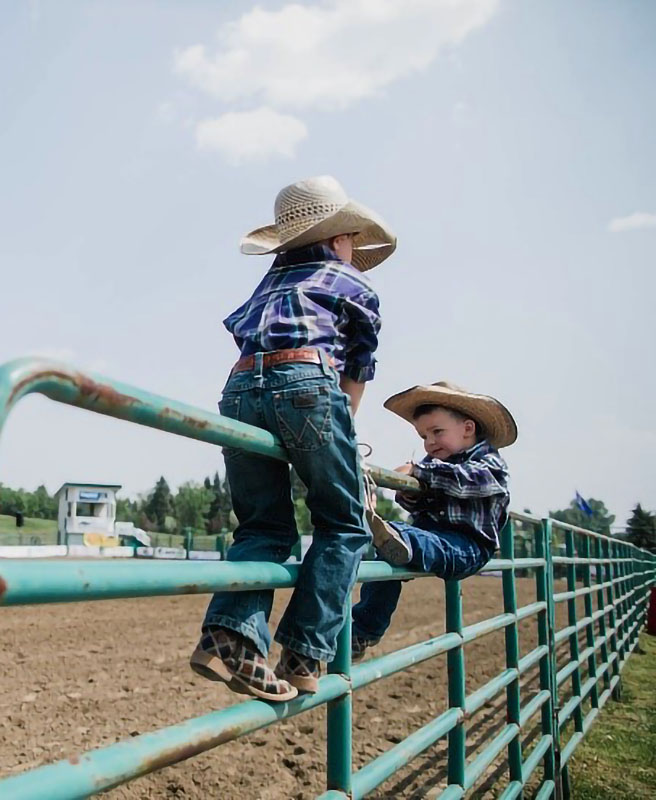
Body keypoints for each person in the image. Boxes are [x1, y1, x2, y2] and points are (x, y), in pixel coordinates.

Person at [190, 175, 397, 701]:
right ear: (336, 240)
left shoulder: (269, 283)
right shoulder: (354, 285)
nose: (353, 249)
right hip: (307, 381)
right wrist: (345, 438)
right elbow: (356, 373)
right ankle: (306, 655)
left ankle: (229, 635)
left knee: (262, 524)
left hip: (239, 386)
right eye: (350, 238)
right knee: (345, 524)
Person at [351, 382, 514, 660]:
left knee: (409, 541)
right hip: (429, 535)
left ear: (467, 428)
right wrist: (409, 490)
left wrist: (418, 471)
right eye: (424, 435)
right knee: (388, 557)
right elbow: (418, 501)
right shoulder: (434, 463)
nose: (429, 442)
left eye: (437, 432)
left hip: (468, 547)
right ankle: (364, 630)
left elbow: (466, 483)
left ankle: (400, 544)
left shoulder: (489, 464)